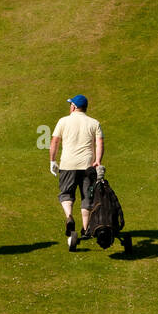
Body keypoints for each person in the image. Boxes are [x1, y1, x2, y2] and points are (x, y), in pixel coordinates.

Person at [48, 94, 104, 243]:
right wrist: (97, 160)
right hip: (88, 165)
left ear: (73, 106)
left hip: (68, 164)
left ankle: (69, 217)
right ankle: (86, 229)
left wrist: (52, 161)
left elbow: (54, 142)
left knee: (66, 193)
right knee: (87, 196)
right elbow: (99, 142)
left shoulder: (63, 121)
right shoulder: (94, 123)